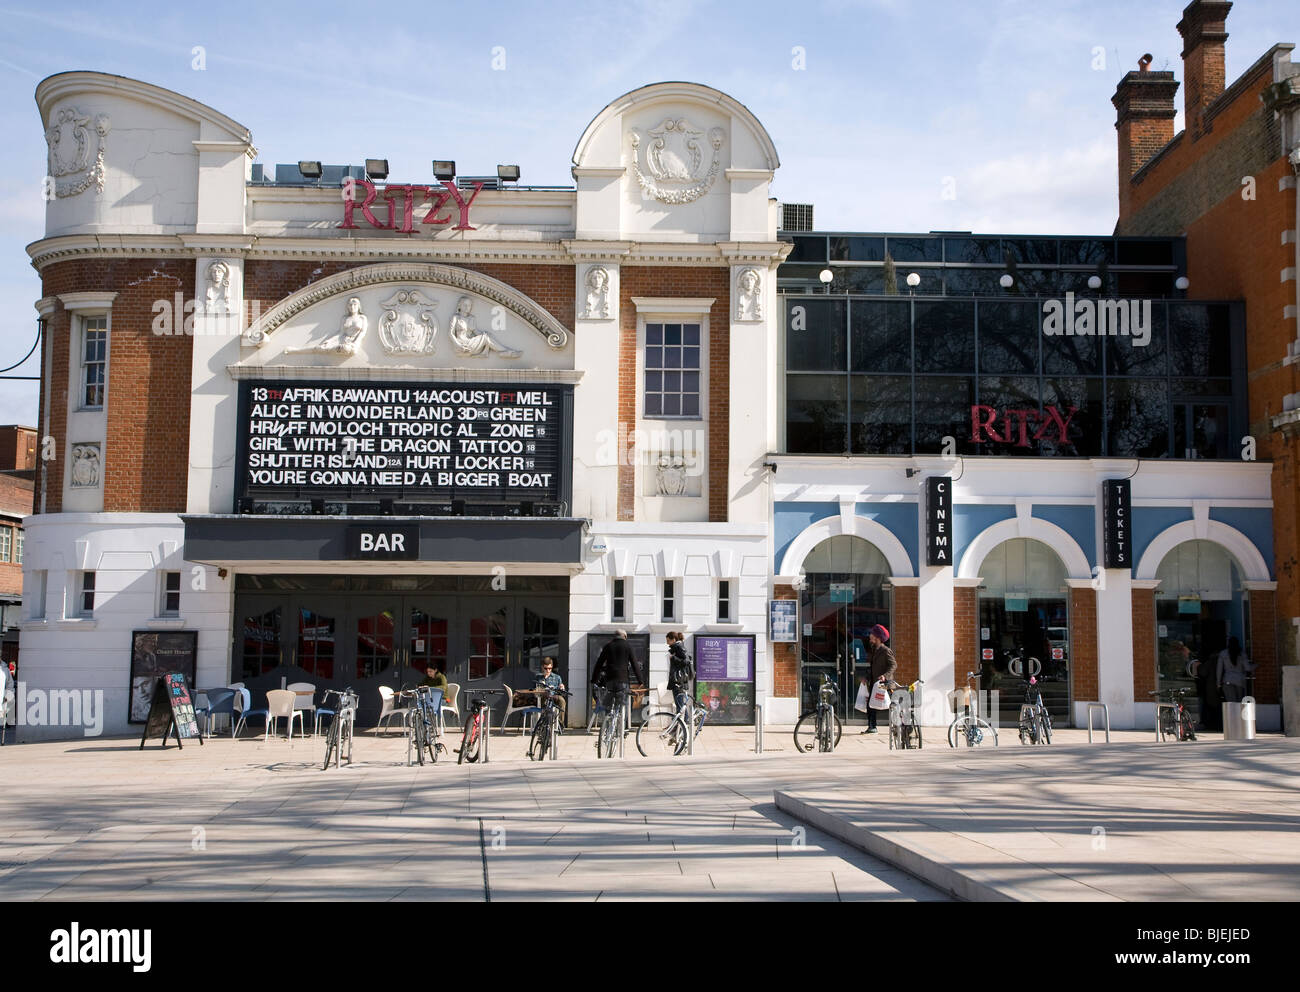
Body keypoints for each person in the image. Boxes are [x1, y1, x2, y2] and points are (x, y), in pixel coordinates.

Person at [592, 629, 645, 723]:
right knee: (624, 704)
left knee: (609, 704)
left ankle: (607, 727)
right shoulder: (628, 646)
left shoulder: (608, 646)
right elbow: (634, 664)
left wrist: (594, 679)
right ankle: (623, 728)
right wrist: (640, 680)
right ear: (624, 636)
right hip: (623, 680)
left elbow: (599, 663)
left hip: (610, 680)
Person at [860, 624, 896, 734]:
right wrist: (866, 677)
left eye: (872, 634)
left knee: (892, 706)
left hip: (884, 684)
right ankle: (872, 727)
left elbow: (893, 665)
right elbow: (872, 667)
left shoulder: (885, 650)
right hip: (875, 683)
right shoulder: (874, 650)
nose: (870, 636)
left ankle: (900, 726)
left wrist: (885, 675)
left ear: (878, 638)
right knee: (870, 705)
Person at [1216, 636, 1256, 704]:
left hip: (1227, 681)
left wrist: (1218, 684)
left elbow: (1219, 670)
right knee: (1239, 704)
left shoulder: (1223, 654)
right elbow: (1248, 668)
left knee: (1231, 705)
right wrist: (1256, 665)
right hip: (1239, 682)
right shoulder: (1242, 654)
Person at [666, 632, 694, 714]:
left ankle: (682, 724)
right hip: (678, 680)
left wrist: (673, 658)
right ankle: (682, 724)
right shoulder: (677, 647)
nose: (667, 642)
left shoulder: (679, 647)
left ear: (674, 640)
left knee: (679, 704)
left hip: (679, 681)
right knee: (680, 705)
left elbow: (686, 661)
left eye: (668, 640)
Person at [535, 655, 567, 724]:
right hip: (543, 697)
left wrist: (562, 688)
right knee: (542, 699)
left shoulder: (557, 677)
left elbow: (562, 693)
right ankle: (542, 722)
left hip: (554, 696)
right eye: (546, 668)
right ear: (542, 667)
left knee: (562, 700)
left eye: (550, 668)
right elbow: (535, 691)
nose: (548, 670)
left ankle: (560, 724)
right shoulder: (538, 677)